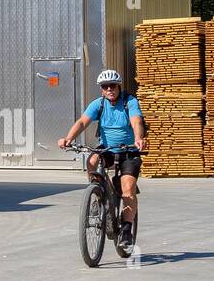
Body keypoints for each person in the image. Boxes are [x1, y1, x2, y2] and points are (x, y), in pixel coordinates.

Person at [57, 69, 147, 248]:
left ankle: (127, 230)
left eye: (112, 86)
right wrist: (68, 138)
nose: (109, 89)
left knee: (128, 188)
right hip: (107, 149)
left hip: (128, 150)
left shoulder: (130, 102)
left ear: (118, 86)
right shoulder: (98, 104)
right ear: (101, 89)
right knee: (91, 160)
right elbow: (83, 122)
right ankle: (98, 193)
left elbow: (136, 121)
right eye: (105, 87)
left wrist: (138, 138)